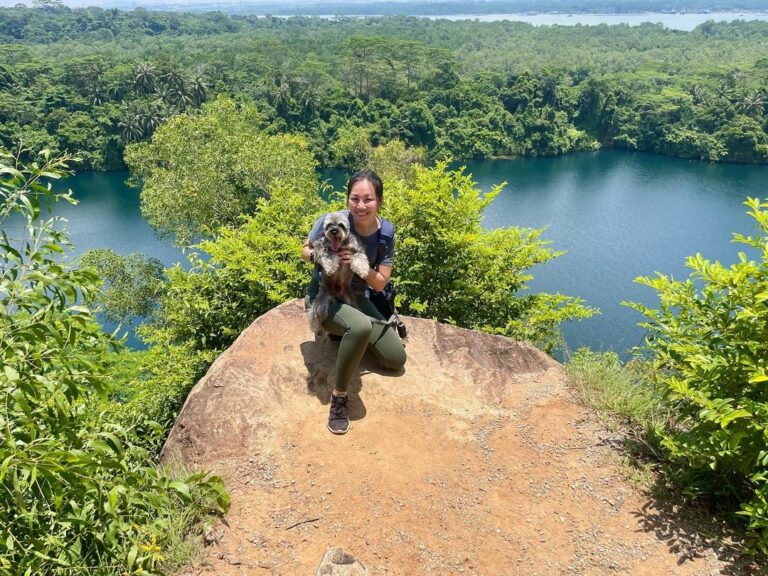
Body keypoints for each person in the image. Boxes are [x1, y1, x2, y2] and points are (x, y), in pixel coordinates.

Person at [302, 170, 407, 434]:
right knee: (360, 326)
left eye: (368, 199)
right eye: (354, 199)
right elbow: (305, 249)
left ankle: (347, 336)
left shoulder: (386, 233)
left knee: (395, 358)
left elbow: (380, 283)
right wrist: (322, 257)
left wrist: (360, 267)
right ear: (347, 199)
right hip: (325, 295)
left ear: (379, 201)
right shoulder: (332, 220)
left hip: (356, 295)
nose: (361, 206)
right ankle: (340, 397)